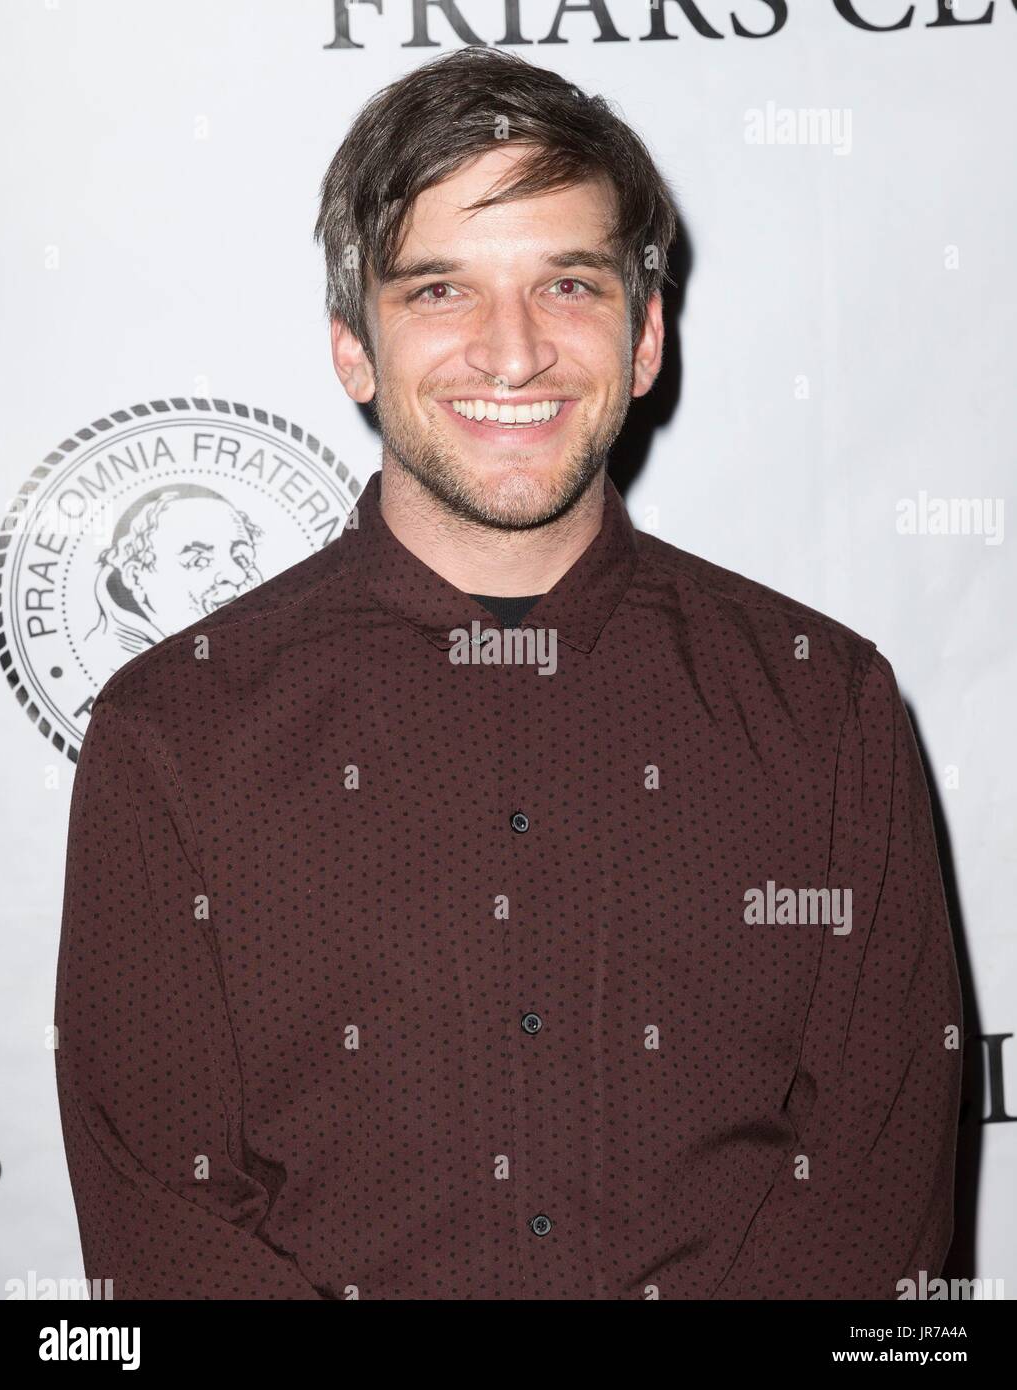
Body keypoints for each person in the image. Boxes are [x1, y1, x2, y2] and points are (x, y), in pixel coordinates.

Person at [54, 46, 962, 1300]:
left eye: (567, 285)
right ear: (351, 348)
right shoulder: (175, 732)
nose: (512, 351)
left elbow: (876, 1183)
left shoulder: (823, 704)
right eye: (439, 290)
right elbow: (162, 1216)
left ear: (644, 337)